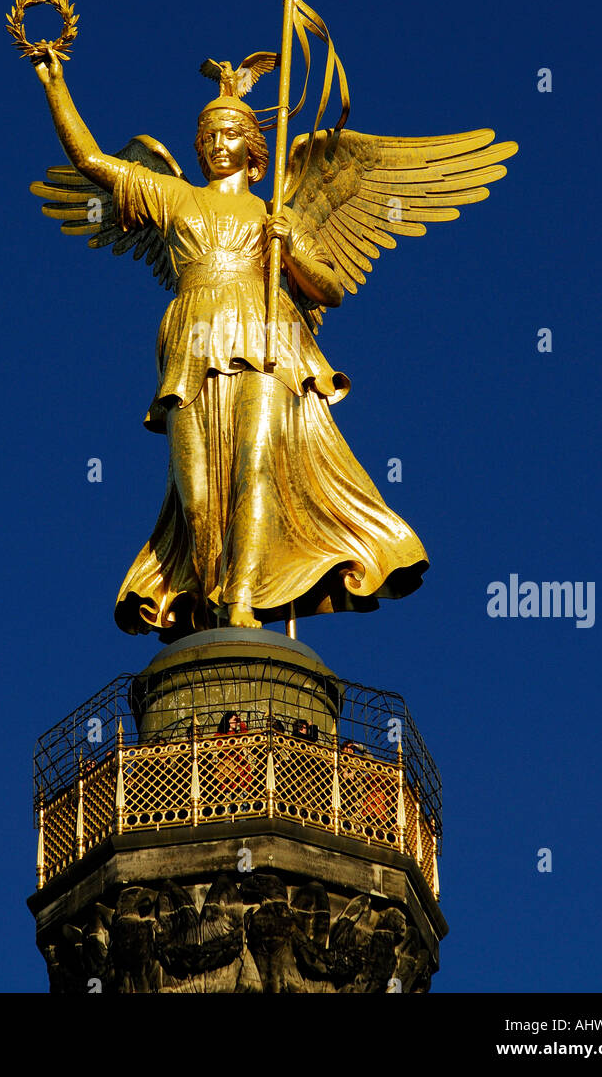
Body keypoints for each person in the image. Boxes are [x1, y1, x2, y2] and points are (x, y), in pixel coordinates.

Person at [33, 48, 429, 637]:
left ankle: (242, 598)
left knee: (256, 469)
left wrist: (291, 247)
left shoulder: (278, 211)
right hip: (192, 338)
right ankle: (212, 598)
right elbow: (91, 159)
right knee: (196, 492)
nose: (218, 144)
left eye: (230, 133)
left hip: (265, 335)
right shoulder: (172, 197)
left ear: (253, 145)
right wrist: (55, 81)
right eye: (208, 135)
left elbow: (330, 292)